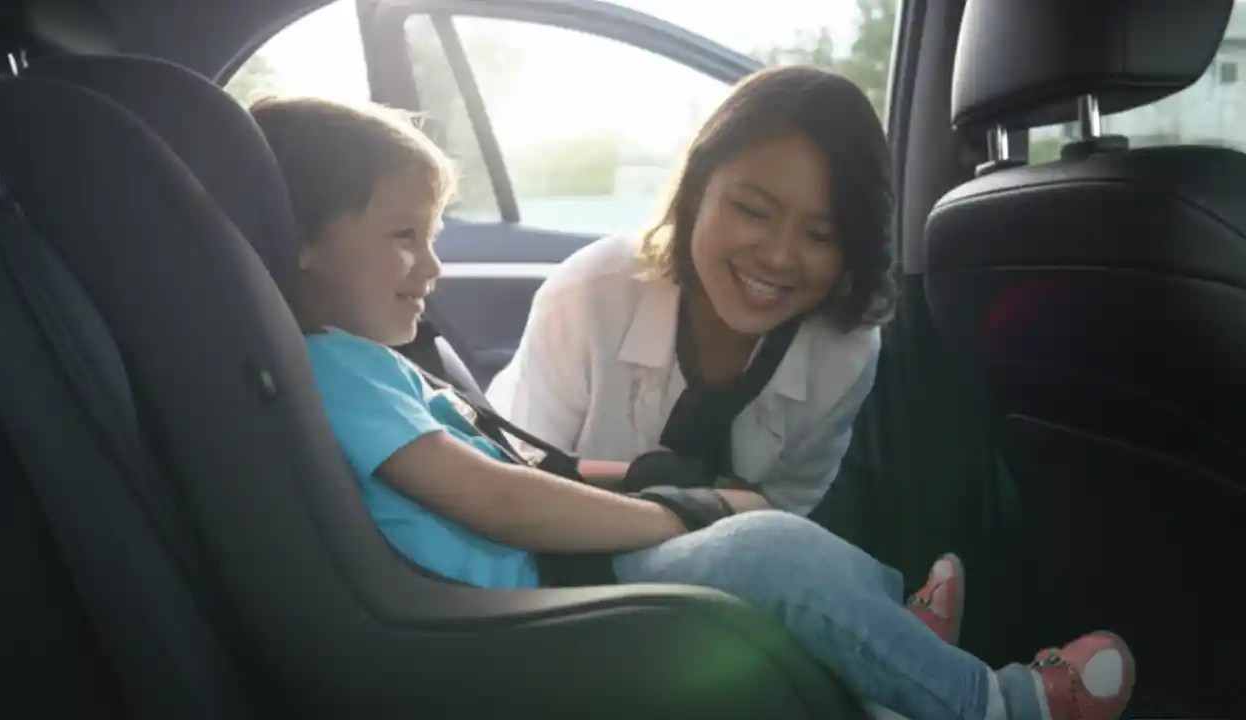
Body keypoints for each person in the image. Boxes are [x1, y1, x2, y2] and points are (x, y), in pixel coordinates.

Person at [249, 94, 1135, 720]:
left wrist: (683, 504)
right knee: (766, 550)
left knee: (764, 540)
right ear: (295, 244)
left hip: (541, 575)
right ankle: (1000, 702)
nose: (433, 269)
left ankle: (894, 651)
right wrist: (665, 519)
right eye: (405, 238)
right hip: (517, 604)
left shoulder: (361, 365)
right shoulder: (333, 368)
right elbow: (496, 497)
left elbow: (516, 469)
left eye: (822, 234)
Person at [487, 66, 894, 516]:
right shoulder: (588, 296)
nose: (779, 257)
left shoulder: (845, 351)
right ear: (697, 188)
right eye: (753, 211)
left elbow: (783, 518)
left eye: (820, 237)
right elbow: (517, 495)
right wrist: (688, 520)